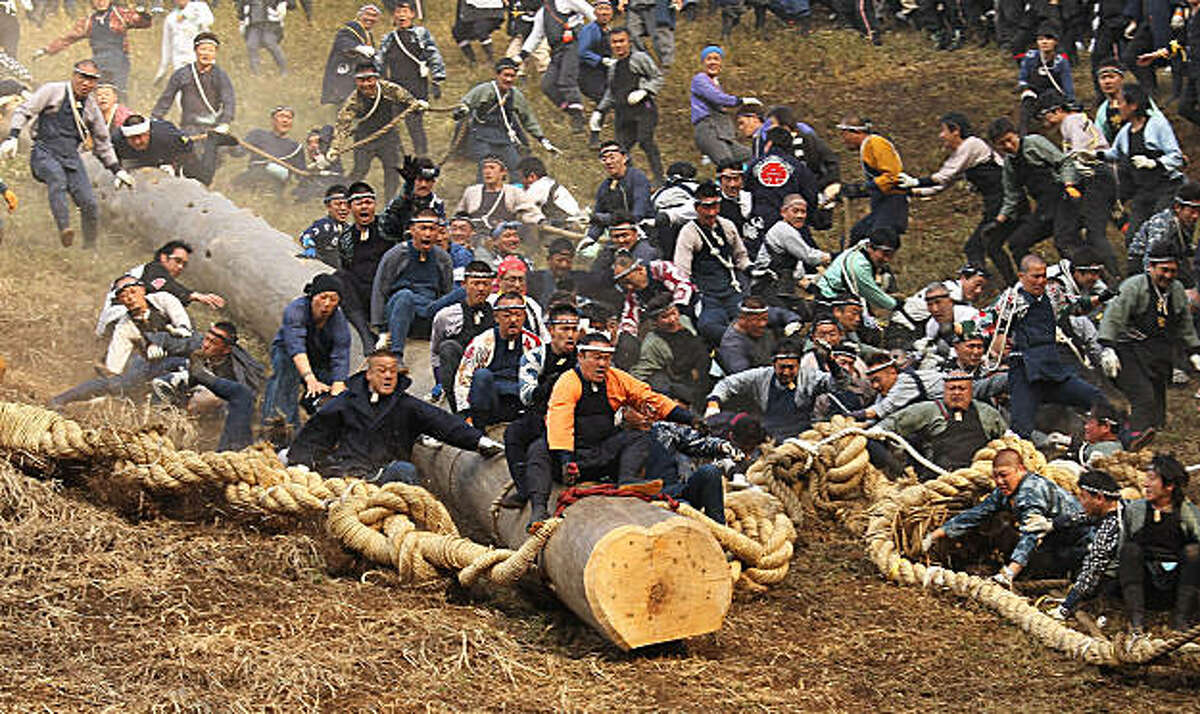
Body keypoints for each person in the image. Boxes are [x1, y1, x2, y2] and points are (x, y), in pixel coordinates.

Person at [524, 332, 700, 528]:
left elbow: (649, 398)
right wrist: (566, 459)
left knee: (638, 437)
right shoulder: (568, 381)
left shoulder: (616, 379)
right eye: (597, 358)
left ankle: (628, 479)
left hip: (600, 452)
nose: (602, 364)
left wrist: (690, 419)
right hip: (571, 458)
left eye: (607, 358)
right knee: (538, 449)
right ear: (581, 357)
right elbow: (560, 420)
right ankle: (539, 509)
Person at [286, 349, 503, 484]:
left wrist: (478, 441)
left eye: (392, 371)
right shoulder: (345, 403)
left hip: (387, 475)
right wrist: (301, 463)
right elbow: (316, 434)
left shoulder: (406, 406)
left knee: (405, 471)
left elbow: (443, 423)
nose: (389, 376)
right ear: (369, 374)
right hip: (346, 476)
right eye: (382, 371)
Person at [2, 60, 134, 249]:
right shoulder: (52, 91)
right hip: (44, 151)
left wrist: (117, 169)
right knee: (57, 179)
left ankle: (90, 248)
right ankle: (64, 229)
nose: (86, 83)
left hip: (72, 157)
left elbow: (102, 142)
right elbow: (25, 110)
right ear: (74, 76)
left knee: (89, 203)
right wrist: (13, 136)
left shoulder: (91, 108)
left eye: (92, 80)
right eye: (83, 77)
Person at [923, 448, 1088, 584]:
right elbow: (978, 513)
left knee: (1040, 566)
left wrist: (1010, 572)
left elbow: (1031, 532)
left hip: (1080, 540)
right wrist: (936, 534)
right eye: (996, 476)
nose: (1000, 481)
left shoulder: (1030, 492)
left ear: (1021, 470)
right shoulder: (1004, 492)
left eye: (1004, 475)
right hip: (1055, 537)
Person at [992, 254, 1106, 439]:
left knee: (1096, 399)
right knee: (1020, 430)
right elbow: (990, 324)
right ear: (1021, 277)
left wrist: (1103, 297)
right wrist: (999, 340)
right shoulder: (1011, 301)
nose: (1041, 281)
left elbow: (1077, 305)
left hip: (1052, 370)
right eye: (1035, 277)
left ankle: (1122, 438)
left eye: (1043, 276)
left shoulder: (1053, 294)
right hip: (1025, 372)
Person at [1099, 243, 1200, 434]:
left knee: (1157, 416)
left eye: (1173, 271)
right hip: (1126, 349)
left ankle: (1146, 429)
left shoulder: (1176, 290)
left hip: (1157, 351)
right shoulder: (1133, 287)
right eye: (1164, 270)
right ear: (1151, 267)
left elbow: (1184, 323)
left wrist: (1194, 350)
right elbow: (1113, 317)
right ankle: (1134, 437)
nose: (1168, 275)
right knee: (1143, 398)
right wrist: (1107, 347)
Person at [906, 113, 1013, 282]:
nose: (941, 136)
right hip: (995, 204)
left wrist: (914, 181)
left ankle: (985, 283)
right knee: (987, 246)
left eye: (943, 131)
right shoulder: (964, 154)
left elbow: (942, 177)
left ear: (956, 130)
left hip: (1004, 202)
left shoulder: (971, 145)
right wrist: (911, 191)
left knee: (979, 246)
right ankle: (1004, 283)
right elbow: (940, 186)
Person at [499, 302, 578, 510]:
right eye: (564, 329)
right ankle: (523, 489)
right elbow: (526, 396)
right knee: (513, 434)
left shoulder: (584, 357)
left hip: (576, 418)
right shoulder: (535, 356)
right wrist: (552, 384)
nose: (570, 335)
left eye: (574, 329)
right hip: (541, 413)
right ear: (551, 330)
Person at [1118, 453, 1200, 639]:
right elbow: (1121, 550)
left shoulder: (1189, 513)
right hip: (1144, 585)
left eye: (1152, 479)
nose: (1145, 484)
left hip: (1179, 586)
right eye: (1146, 478)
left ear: (1169, 486)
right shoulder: (1134, 511)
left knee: (1194, 551)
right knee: (1130, 550)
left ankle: (1181, 620)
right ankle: (1136, 621)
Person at [1036, 90, 1118, 274]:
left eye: (1044, 116)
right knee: (1078, 231)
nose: (1044, 123)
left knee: (1095, 232)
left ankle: (1114, 275)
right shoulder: (1076, 121)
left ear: (1057, 111)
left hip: (1096, 174)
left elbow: (1079, 154)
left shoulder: (1071, 122)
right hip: (1094, 176)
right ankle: (1092, 271)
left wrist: (1068, 181)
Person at [150, 320, 264, 452]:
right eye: (206, 339)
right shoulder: (198, 347)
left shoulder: (233, 372)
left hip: (216, 412)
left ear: (226, 349)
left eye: (213, 343)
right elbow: (171, 341)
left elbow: (240, 399)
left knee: (206, 399)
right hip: (189, 388)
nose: (205, 345)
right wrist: (154, 344)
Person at [987, 117, 1080, 277]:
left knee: (1064, 242)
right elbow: (1012, 196)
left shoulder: (1034, 143)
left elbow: (1064, 162)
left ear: (1016, 134)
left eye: (1009, 140)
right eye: (1002, 144)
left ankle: (1093, 280)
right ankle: (1037, 280)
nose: (1008, 146)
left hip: (1063, 198)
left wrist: (1069, 185)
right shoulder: (1009, 165)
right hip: (1044, 209)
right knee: (1017, 243)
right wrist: (998, 221)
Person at [260, 274, 351, 429]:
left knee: (335, 391)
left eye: (333, 299)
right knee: (285, 377)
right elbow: (296, 346)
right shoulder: (296, 310)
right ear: (312, 296)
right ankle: (278, 426)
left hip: (320, 357)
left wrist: (338, 383)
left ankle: (315, 423)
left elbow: (341, 353)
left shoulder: (338, 320)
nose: (327, 304)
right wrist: (309, 378)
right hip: (288, 352)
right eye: (323, 297)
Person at [325, 64, 425, 203]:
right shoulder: (353, 101)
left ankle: (390, 204)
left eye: (370, 79)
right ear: (356, 81)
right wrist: (334, 148)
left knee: (393, 172)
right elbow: (342, 125)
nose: (366, 84)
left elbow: (408, 101)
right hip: (365, 140)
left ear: (376, 78)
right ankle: (343, 200)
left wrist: (418, 105)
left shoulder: (389, 89)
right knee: (360, 171)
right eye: (362, 80)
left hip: (389, 139)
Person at [705, 339, 842, 440]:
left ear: (799, 365)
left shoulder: (810, 377)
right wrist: (713, 403)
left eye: (791, 367)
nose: (786, 372)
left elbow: (839, 384)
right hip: (768, 437)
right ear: (773, 364)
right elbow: (728, 384)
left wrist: (831, 362)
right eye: (782, 367)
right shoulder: (761, 376)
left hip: (803, 437)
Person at [876, 370, 1007, 474]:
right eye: (951, 389)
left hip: (977, 477)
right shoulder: (928, 410)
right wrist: (877, 431)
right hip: (939, 479)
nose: (956, 393)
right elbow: (891, 423)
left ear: (971, 391)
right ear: (944, 391)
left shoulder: (987, 413)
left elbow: (1008, 437)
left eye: (962, 389)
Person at [371, 209, 456, 366]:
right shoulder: (397, 254)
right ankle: (397, 354)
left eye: (432, 229)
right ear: (412, 229)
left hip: (429, 311)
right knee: (405, 297)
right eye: (423, 228)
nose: (428, 234)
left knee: (459, 293)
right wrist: (381, 328)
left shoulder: (443, 258)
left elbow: (447, 290)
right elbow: (380, 289)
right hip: (401, 310)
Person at [151, 32, 237, 186]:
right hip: (190, 126)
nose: (206, 54)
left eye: (210, 50)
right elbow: (166, 98)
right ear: (196, 51)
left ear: (215, 53)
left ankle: (206, 184)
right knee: (189, 157)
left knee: (217, 158)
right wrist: (156, 118)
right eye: (203, 49)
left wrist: (225, 123)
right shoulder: (182, 74)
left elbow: (229, 100)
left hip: (213, 129)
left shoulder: (220, 75)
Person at [1102, 83, 1185, 241]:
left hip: (1166, 188)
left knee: (1159, 235)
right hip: (1144, 191)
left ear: (1133, 105)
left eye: (1120, 102)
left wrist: (1154, 163)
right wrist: (1093, 155)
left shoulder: (1157, 125)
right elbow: (1114, 153)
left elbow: (1176, 156)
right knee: (1133, 239)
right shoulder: (1125, 132)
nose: (1117, 107)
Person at [673, 181, 751, 344]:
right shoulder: (689, 233)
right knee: (708, 326)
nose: (712, 212)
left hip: (732, 289)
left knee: (751, 320)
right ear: (696, 207)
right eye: (706, 207)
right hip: (708, 295)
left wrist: (752, 269)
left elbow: (740, 256)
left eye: (715, 206)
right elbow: (682, 271)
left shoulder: (727, 226)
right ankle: (735, 342)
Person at [96, 240, 225, 337]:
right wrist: (195, 295)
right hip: (118, 320)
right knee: (166, 299)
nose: (180, 267)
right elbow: (165, 286)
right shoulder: (154, 268)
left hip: (116, 325)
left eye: (184, 264)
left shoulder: (147, 274)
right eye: (178, 261)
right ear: (164, 257)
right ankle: (188, 336)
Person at [454, 291, 541, 427]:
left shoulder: (534, 343)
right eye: (507, 315)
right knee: (482, 375)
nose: (513, 320)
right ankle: (478, 427)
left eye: (518, 315)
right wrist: (465, 412)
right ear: (496, 317)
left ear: (524, 317)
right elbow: (463, 377)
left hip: (520, 401)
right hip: (491, 402)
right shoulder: (482, 341)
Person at [1048, 469, 1126, 620]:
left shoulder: (1111, 526)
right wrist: (1052, 524)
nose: (1080, 502)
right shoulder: (1118, 508)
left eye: (1083, 497)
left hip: (1115, 580)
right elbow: (1084, 517)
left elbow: (1092, 570)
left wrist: (1066, 607)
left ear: (1099, 498)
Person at [455, 58, 557, 173]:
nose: (509, 79)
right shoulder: (484, 90)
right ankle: (483, 190)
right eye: (506, 75)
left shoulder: (516, 95)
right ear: (497, 75)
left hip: (503, 137)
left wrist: (542, 138)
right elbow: (465, 103)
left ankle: (516, 189)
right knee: (488, 168)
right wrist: (462, 110)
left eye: (512, 76)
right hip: (481, 136)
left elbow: (528, 119)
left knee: (517, 168)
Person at [35, 0, 151, 95]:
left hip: (119, 59)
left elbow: (142, 22)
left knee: (119, 92)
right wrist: (46, 50)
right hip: (99, 60)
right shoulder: (87, 22)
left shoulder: (120, 14)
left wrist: (143, 13)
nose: (100, 2)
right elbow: (68, 38)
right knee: (92, 90)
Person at [595, 26, 664, 182]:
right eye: (614, 42)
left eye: (622, 41)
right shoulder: (613, 67)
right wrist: (599, 110)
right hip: (623, 113)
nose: (618, 45)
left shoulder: (640, 58)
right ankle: (631, 180)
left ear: (629, 42)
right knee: (620, 150)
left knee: (645, 141)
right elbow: (611, 92)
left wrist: (645, 91)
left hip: (644, 110)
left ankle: (660, 178)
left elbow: (658, 77)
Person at [378, 0, 446, 156]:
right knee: (389, 122)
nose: (401, 15)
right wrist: (379, 82)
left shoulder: (421, 34)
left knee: (414, 124)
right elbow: (379, 60)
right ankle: (397, 154)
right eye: (398, 12)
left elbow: (433, 56)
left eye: (405, 11)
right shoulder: (388, 38)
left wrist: (437, 80)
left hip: (416, 86)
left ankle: (421, 155)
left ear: (413, 14)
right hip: (394, 86)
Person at [332, 182, 394, 350]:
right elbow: (347, 267)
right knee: (339, 277)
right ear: (350, 207)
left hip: (388, 292)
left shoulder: (387, 226)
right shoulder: (346, 238)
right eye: (359, 203)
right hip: (362, 296)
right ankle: (365, 335)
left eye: (368, 202)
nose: (364, 207)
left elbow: (402, 209)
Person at [518, 0, 594, 133]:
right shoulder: (543, 11)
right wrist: (521, 56)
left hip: (573, 45)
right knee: (547, 85)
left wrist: (592, 34)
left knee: (566, 80)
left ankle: (577, 118)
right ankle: (573, 111)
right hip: (557, 50)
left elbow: (591, 13)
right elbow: (536, 35)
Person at [430, 261, 496, 407]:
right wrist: (440, 381)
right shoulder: (447, 315)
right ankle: (457, 410)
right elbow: (435, 352)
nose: (481, 289)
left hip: (491, 367)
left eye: (485, 284)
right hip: (460, 370)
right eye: (475, 283)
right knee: (448, 347)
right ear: (464, 284)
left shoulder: (498, 310)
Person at [834, 116, 908, 240]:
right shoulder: (868, 146)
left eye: (844, 134)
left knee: (877, 243)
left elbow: (893, 176)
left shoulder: (876, 143)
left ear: (856, 132)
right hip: (882, 205)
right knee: (854, 238)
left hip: (892, 205)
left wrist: (863, 188)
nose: (843, 140)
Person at [631, 293, 711, 407]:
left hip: (706, 373)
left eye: (674, 313)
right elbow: (640, 371)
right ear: (655, 322)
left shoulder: (685, 321)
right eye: (665, 317)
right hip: (684, 384)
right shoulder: (652, 344)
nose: (672, 320)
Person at [689, 45, 756, 165]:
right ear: (703, 63)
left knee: (749, 155)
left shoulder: (716, 83)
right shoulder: (699, 79)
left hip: (723, 132)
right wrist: (741, 101)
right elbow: (716, 97)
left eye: (716, 59)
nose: (713, 62)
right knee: (726, 162)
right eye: (709, 59)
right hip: (708, 129)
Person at [816, 227, 900, 314]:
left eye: (891, 255)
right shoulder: (859, 265)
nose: (887, 259)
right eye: (884, 254)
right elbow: (872, 294)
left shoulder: (864, 245)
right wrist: (896, 305)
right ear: (871, 248)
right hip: (829, 299)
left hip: (844, 295)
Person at [612, 251, 696, 339]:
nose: (629, 287)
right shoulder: (633, 294)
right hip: (661, 323)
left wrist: (675, 309)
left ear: (640, 269)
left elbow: (684, 285)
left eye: (629, 281)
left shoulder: (661, 268)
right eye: (623, 284)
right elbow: (629, 316)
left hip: (687, 309)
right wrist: (626, 335)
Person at [1128, 182, 1200, 279]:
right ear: (1178, 207)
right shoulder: (1162, 224)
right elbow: (1150, 257)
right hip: (1143, 265)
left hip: (1174, 261)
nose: (1196, 216)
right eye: (1192, 211)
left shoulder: (1188, 223)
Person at [455, 155, 544, 232]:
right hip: (474, 234)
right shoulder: (471, 191)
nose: (487, 171)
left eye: (492, 168)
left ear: (503, 172)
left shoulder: (514, 192)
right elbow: (460, 215)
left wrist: (540, 221)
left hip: (501, 236)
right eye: (485, 168)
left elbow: (530, 212)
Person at [586, 141, 653, 241]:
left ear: (625, 158)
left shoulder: (637, 178)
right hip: (617, 236)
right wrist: (591, 237)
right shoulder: (605, 186)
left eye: (612, 157)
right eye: (604, 159)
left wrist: (608, 218)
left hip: (643, 234)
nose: (608, 162)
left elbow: (638, 213)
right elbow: (598, 215)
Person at [1016, 23, 1075, 133]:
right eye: (1040, 39)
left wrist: (1070, 102)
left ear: (1055, 42)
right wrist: (1025, 89)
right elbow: (1022, 78)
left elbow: (1067, 86)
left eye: (1048, 39)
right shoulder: (1030, 57)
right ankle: (1022, 134)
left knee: (1051, 96)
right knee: (1027, 102)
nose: (1044, 42)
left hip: (1053, 95)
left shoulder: (1061, 62)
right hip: (1034, 93)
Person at [232, 105, 305, 192]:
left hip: (275, 186)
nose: (285, 120)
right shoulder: (258, 135)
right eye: (281, 116)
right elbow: (238, 152)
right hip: (252, 178)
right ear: (273, 120)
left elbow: (301, 176)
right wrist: (230, 143)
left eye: (289, 117)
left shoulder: (296, 148)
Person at [855, 352, 945, 422]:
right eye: (871, 382)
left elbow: (877, 411)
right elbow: (873, 417)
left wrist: (847, 415)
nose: (874, 386)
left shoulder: (904, 381)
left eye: (877, 380)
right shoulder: (885, 392)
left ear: (892, 372)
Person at [320, 4, 380, 106]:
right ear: (359, 16)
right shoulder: (350, 29)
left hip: (358, 77)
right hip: (343, 76)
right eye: (368, 14)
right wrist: (358, 48)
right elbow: (342, 41)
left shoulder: (367, 33)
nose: (370, 18)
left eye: (374, 16)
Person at [716, 296, 793, 374]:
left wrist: (793, 323)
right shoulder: (732, 345)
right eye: (757, 320)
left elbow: (782, 314)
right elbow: (746, 377)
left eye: (765, 319)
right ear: (742, 319)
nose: (763, 324)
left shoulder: (760, 322)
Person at [381, 155, 447, 238]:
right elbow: (385, 230)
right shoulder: (398, 203)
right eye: (419, 180)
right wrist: (404, 200)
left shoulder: (437, 204)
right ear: (412, 181)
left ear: (433, 182)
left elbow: (442, 234)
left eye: (427, 180)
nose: (424, 184)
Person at [577, 0, 613, 143]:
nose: (604, 12)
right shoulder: (589, 29)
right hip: (587, 73)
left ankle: (595, 132)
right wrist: (600, 60)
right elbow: (582, 52)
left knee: (607, 101)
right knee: (603, 100)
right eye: (601, 9)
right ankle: (593, 134)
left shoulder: (609, 31)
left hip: (603, 73)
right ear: (595, 12)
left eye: (607, 9)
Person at [153, 0, 213, 85]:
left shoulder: (199, 7)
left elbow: (209, 21)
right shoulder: (171, 19)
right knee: (182, 91)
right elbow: (166, 45)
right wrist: (162, 70)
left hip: (198, 58)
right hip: (179, 59)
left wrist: (187, 15)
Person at [516, 156, 585, 228]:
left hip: (566, 223)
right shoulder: (548, 183)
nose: (521, 181)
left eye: (521, 178)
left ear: (532, 176)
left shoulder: (538, 186)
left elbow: (524, 207)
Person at [111, 113, 194, 173]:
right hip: (133, 163)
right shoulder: (116, 140)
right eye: (132, 138)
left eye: (139, 136)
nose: (137, 142)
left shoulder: (166, 135)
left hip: (164, 160)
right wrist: (118, 171)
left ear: (148, 132)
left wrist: (174, 165)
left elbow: (188, 147)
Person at [299, 184, 350, 268]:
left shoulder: (349, 229)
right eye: (338, 204)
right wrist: (310, 247)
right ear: (328, 206)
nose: (343, 208)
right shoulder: (323, 225)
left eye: (347, 205)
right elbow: (305, 235)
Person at [238, 0, 287, 75]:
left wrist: (282, 5)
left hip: (270, 24)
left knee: (270, 43)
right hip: (253, 25)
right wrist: (242, 21)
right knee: (251, 45)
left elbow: (290, 4)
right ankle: (256, 72)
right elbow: (241, 9)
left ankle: (283, 68)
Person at [625, 0, 676, 68]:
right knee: (632, 34)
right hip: (634, 4)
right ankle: (642, 64)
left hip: (655, 4)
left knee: (660, 34)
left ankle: (667, 65)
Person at [451, 0, 503, 67]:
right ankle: (472, 61)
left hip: (490, 9)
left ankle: (491, 60)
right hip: (469, 9)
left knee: (481, 30)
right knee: (458, 32)